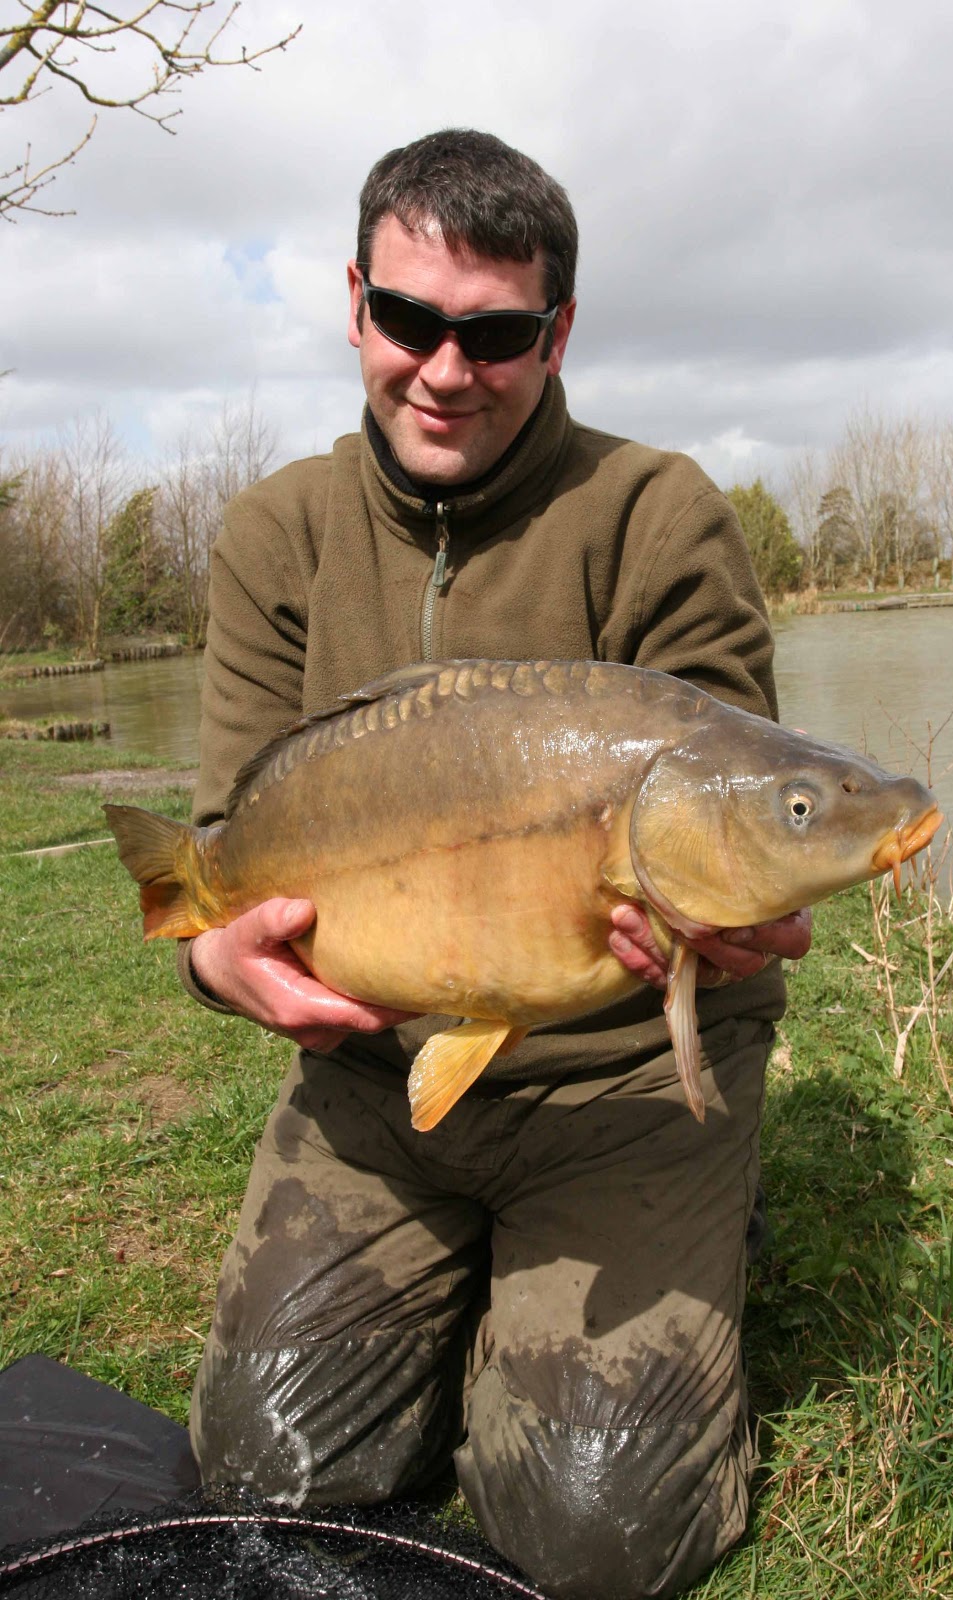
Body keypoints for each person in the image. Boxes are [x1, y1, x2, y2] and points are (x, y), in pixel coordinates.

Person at [181, 128, 811, 1600]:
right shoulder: (279, 535)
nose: (444, 369)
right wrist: (219, 959)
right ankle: (457, 1271)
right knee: (274, 1477)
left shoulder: (659, 513)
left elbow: (747, 797)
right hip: (374, 1085)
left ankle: (684, 1220)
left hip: (624, 1084)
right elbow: (219, 856)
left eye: (496, 331)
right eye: (408, 321)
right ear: (356, 306)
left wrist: (741, 922)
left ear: (558, 329)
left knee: (591, 1539)